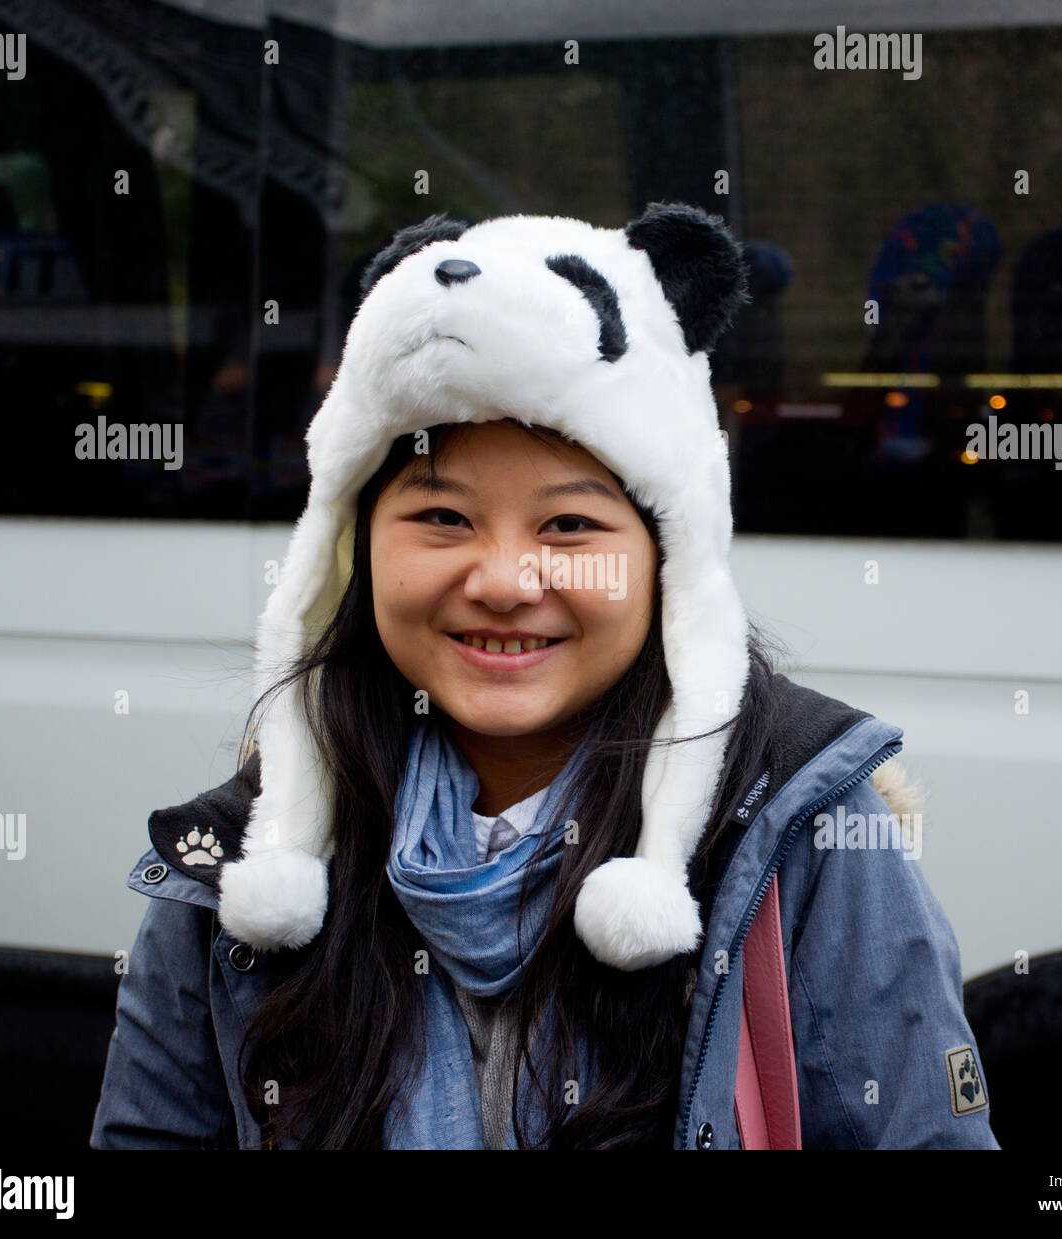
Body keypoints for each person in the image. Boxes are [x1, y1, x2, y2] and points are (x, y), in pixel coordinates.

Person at [89, 203, 1000, 1150]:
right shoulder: (239, 860)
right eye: (442, 518)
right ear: (355, 546)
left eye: (570, 526)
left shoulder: (800, 835)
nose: (505, 583)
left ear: (667, 563)